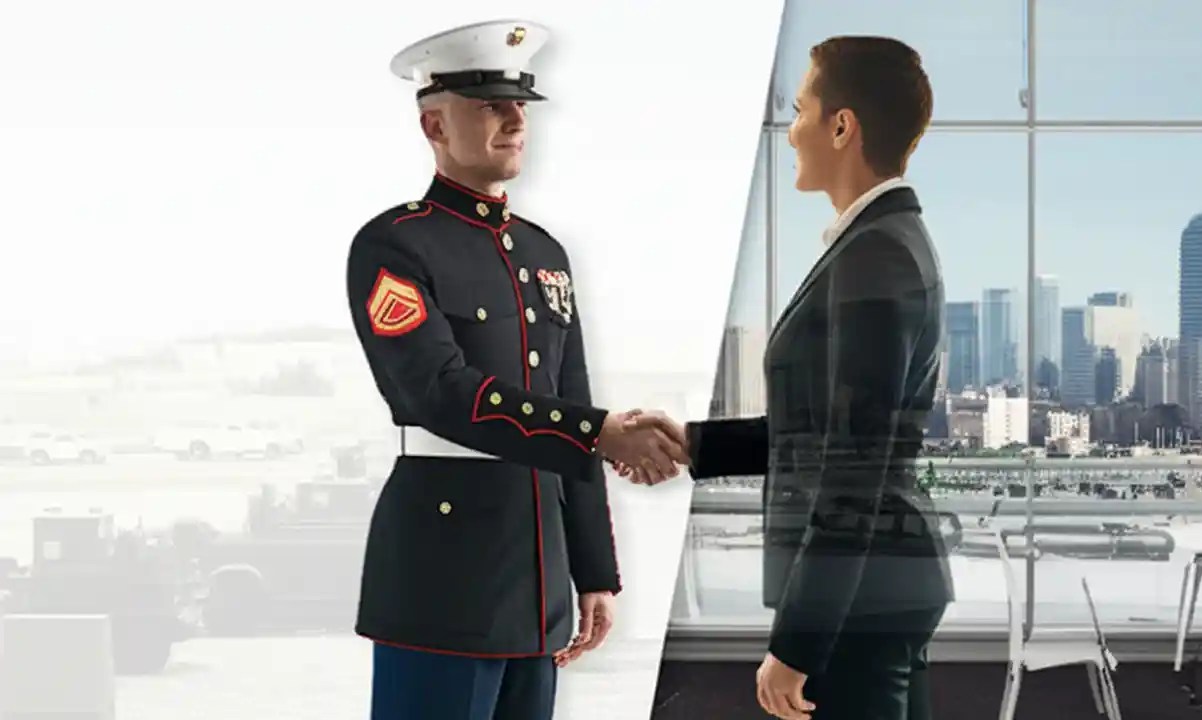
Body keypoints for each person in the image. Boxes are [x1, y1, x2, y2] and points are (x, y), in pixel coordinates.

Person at [345, 20, 688, 720]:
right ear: (434, 123)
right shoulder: (393, 246)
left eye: (520, 104)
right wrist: (599, 432)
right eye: (488, 105)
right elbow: (438, 391)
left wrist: (593, 571)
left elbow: (574, 401)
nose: (514, 119)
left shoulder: (544, 253)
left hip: (536, 585)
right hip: (442, 581)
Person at [621, 36, 954, 720]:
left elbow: (854, 466)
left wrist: (799, 643)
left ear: (842, 125)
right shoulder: (875, 244)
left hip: (862, 599)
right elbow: (830, 431)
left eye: (800, 109)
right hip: (878, 587)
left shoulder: (877, 257)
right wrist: (695, 443)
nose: (790, 129)